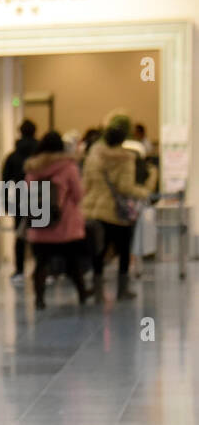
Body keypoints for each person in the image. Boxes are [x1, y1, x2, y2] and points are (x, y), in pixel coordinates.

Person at [81, 115, 157, 302]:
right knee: (123, 249)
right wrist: (146, 191)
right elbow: (125, 187)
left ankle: (97, 289)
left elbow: (85, 183)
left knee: (99, 250)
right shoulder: (125, 159)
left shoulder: (93, 156)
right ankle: (122, 290)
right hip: (115, 212)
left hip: (93, 210)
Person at [24, 131, 90, 309]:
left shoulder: (32, 168)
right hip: (65, 227)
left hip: (40, 224)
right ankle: (82, 294)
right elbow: (78, 195)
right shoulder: (68, 167)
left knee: (41, 264)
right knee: (72, 263)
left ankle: (39, 299)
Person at [2, 120, 39, 284]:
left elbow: (5, 181)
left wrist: (5, 201)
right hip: (39, 197)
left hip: (19, 199)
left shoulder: (12, 156)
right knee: (40, 235)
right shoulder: (40, 154)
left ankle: (19, 270)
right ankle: (41, 268)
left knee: (20, 235)